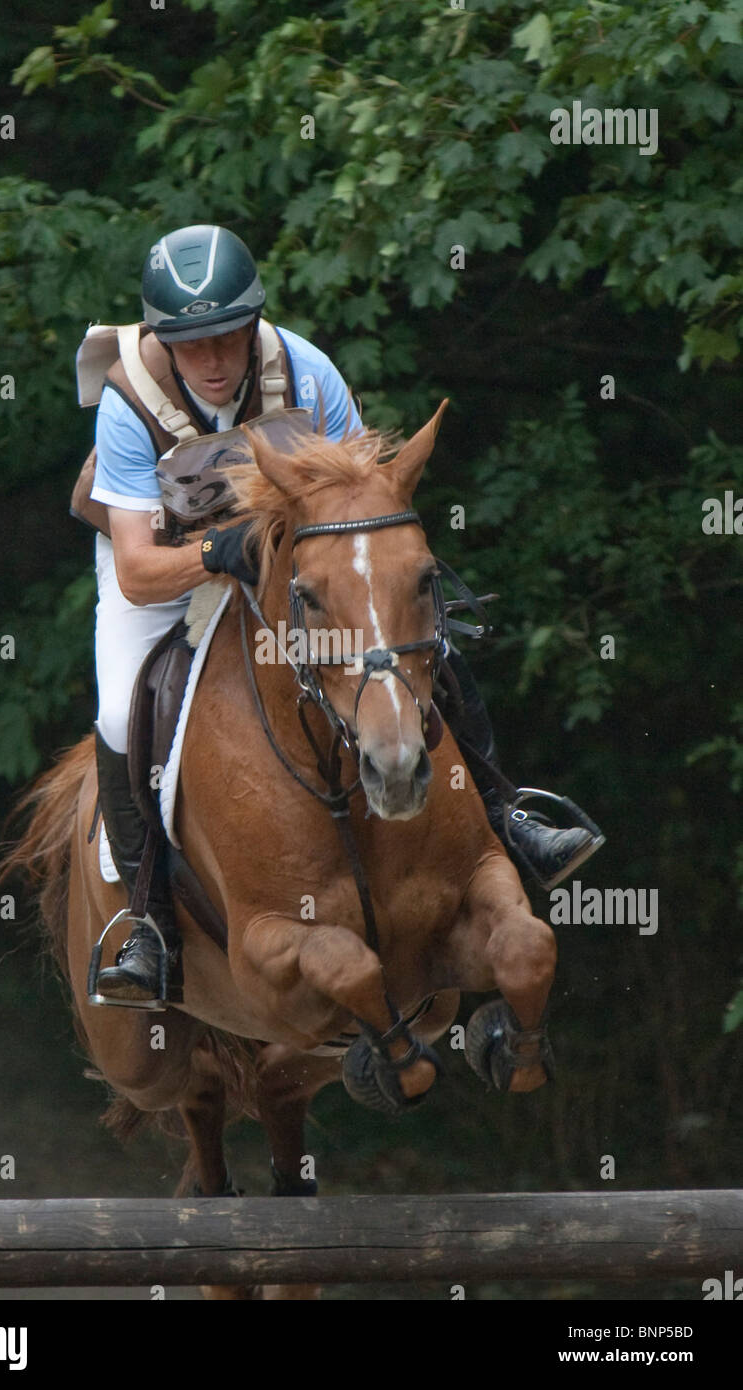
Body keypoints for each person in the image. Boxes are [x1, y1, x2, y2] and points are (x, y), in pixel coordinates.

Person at [74, 224, 602, 1003]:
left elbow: (367, 498)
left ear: (253, 322)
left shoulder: (305, 369)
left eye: (228, 336)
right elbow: (137, 569)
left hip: (298, 566)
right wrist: (217, 556)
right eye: (192, 344)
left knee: (430, 648)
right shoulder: (128, 402)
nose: (214, 361)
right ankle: (147, 926)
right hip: (169, 573)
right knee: (121, 710)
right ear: (161, 339)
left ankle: (506, 813)